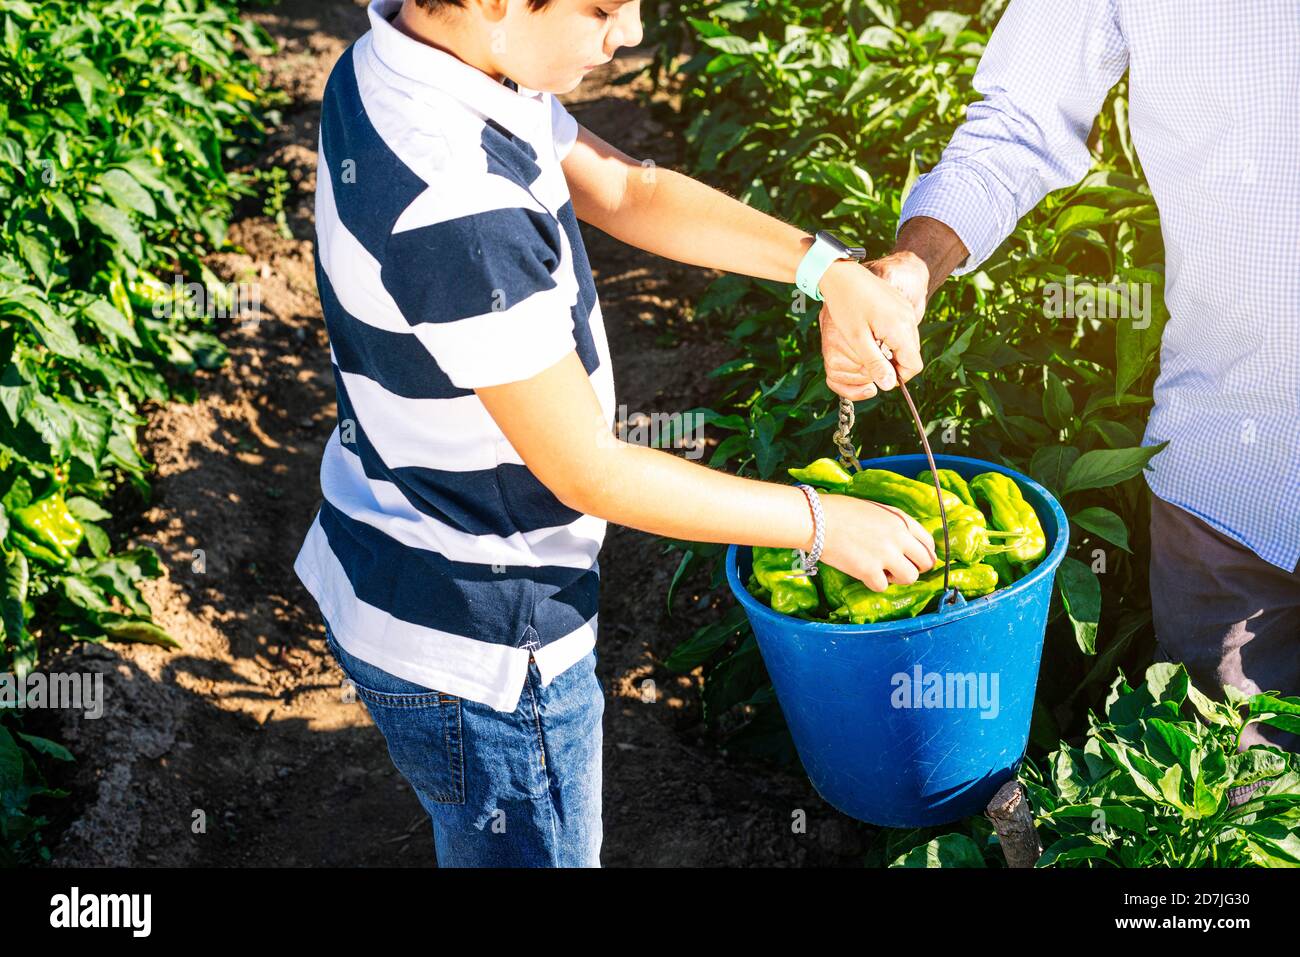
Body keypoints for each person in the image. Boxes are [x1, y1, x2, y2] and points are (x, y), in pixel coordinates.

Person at [293, 0, 936, 867]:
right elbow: (587, 469)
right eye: (603, 9)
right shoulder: (457, 201)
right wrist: (822, 520)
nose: (629, 33)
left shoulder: (416, 61)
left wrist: (827, 271)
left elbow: (627, 188)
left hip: (402, 552)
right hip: (491, 647)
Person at [863, 0, 1300, 759]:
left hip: (1225, 472)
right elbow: (1020, 121)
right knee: (1232, 813)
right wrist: (914, 263)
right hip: (1232, 483)